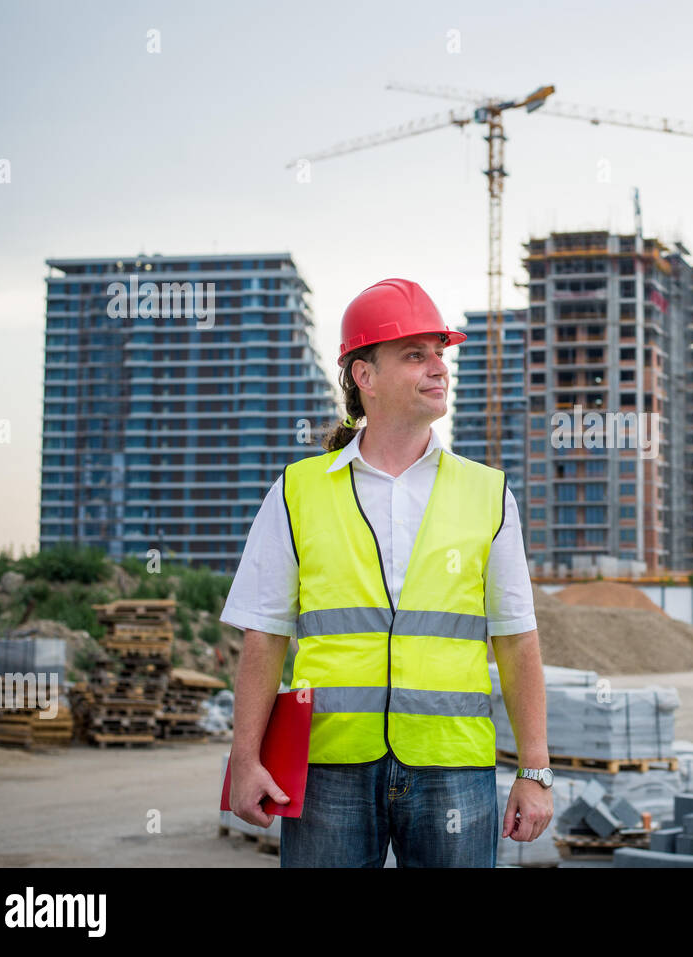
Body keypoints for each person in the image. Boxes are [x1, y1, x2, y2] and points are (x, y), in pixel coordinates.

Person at [221, 278, 553, 867]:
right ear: (364, 376)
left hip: (452, 765)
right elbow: (264, 632)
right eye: (415, 354)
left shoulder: (489, 492)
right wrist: (245, 757)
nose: (438, 368)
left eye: (440, 353)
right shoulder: (298, 492)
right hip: (329, 767)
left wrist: (535, 769)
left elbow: (516, 637)